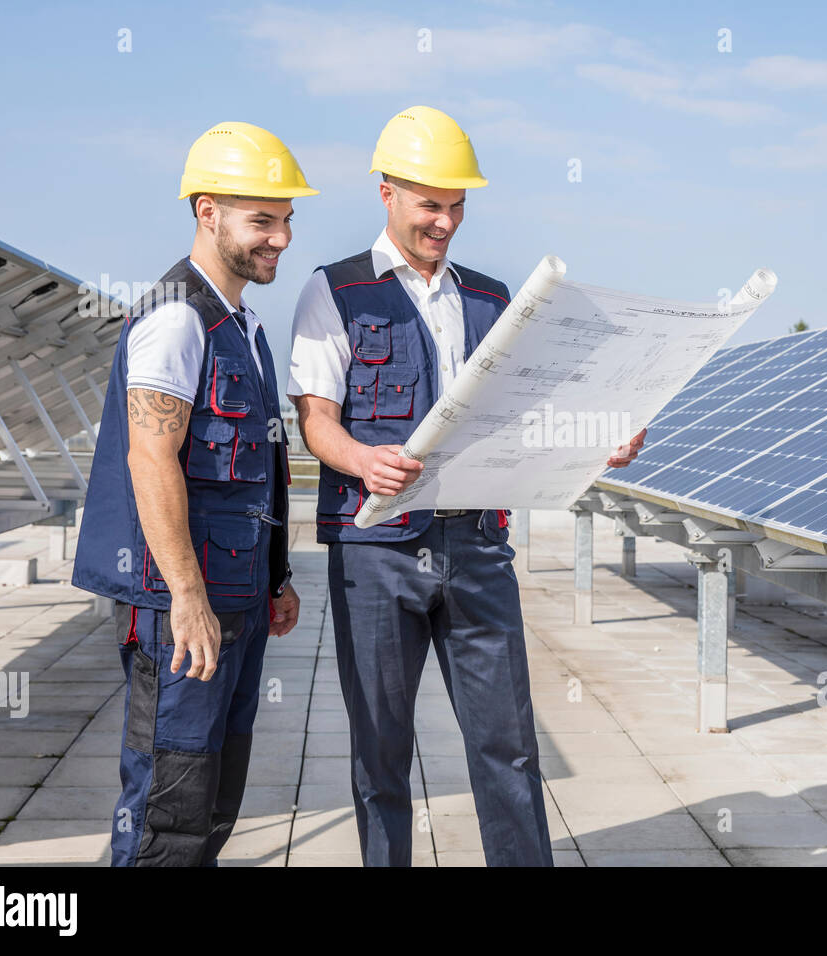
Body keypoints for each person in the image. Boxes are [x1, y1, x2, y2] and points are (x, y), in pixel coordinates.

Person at [288, 105, 646, 866]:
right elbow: (316, 421)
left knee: (507, 745)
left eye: (456, 205)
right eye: (429, 204)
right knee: (381, 750)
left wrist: (597, 442)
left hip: (478, 547)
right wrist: (358, 458)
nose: (445, 222)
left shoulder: (490, 298)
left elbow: (530, 417)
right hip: (376, 550)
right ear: (386, 193)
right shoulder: (335, 292)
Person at [72, 122, 314, 866]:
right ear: (208, 212)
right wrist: (185, 595)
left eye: (285, 221)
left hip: (233, 598)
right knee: (166, 812)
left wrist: (274, 577)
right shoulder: (178, 319)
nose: (280, 238)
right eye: (262, 221)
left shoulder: (239, 323)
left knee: (212, 805)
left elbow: (251, 466)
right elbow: (152, 459)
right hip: (181, 610)